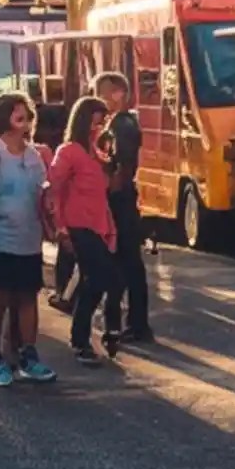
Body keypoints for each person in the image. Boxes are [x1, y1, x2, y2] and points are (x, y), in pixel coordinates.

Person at [0, 92, 56, 385]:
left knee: (28, 298)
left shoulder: (34, 154)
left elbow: (43, 188)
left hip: (29, 237)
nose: (26, 123)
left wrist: (50, 206)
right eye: (19, 117)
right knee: (0, 298)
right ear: (4, 118)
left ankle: (27, 356)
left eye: (28, 116)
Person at [50, 96, 121, 364]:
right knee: (101, 277)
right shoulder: (69, 152)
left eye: (103, 122)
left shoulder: (98, 153)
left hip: (100, 225)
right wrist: (60, 227)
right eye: (97, 121)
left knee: (101, 279)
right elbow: (54, 188)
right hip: (78, 225)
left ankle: (88, 333)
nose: (101, 126)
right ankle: (82, 338)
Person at [93, 72, 151, 342]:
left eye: (104, 92)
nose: (101, 99)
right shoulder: (120, 123)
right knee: (127, 264)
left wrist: (108, 194)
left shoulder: (123, 126)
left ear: (120, 93)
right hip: (123, 200)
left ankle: (131, 324)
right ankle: (127, 323)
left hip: (121, 202)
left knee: (125, 264)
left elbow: (123, 168)